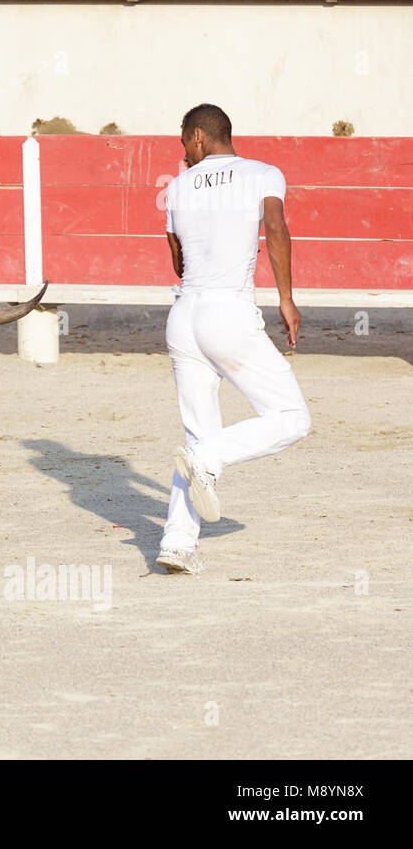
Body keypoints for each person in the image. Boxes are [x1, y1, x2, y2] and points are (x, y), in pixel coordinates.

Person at [157, 103, 311, 574]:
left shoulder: (177, 188)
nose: (183, 153)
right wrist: (286, 299)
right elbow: (277, 228)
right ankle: (207, 459)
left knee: (196, 434)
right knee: (291, 417)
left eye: (185, 141)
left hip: (184, 318)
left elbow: (178, 259)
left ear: (200, 137)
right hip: (229, 315)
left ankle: (178, 544)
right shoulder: (264, 173)